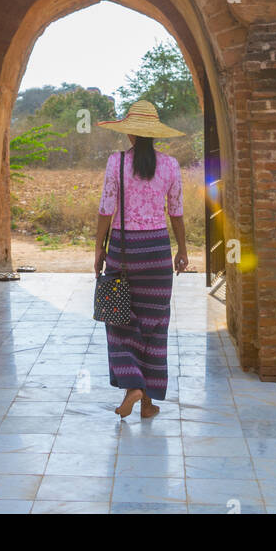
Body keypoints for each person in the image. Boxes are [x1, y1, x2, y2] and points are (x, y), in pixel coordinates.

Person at [93, 98, 188, 419]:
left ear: (131, 135)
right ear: (155, 134)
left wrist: (98, 250)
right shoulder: (171, 166)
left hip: (124, 252)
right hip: (158, 253)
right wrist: (183, 250)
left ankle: (133, 387)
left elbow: (106, 209)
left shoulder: (116, 162)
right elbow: (176, 212)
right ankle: (147, 402)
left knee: (118, 320)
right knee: (154, 327)